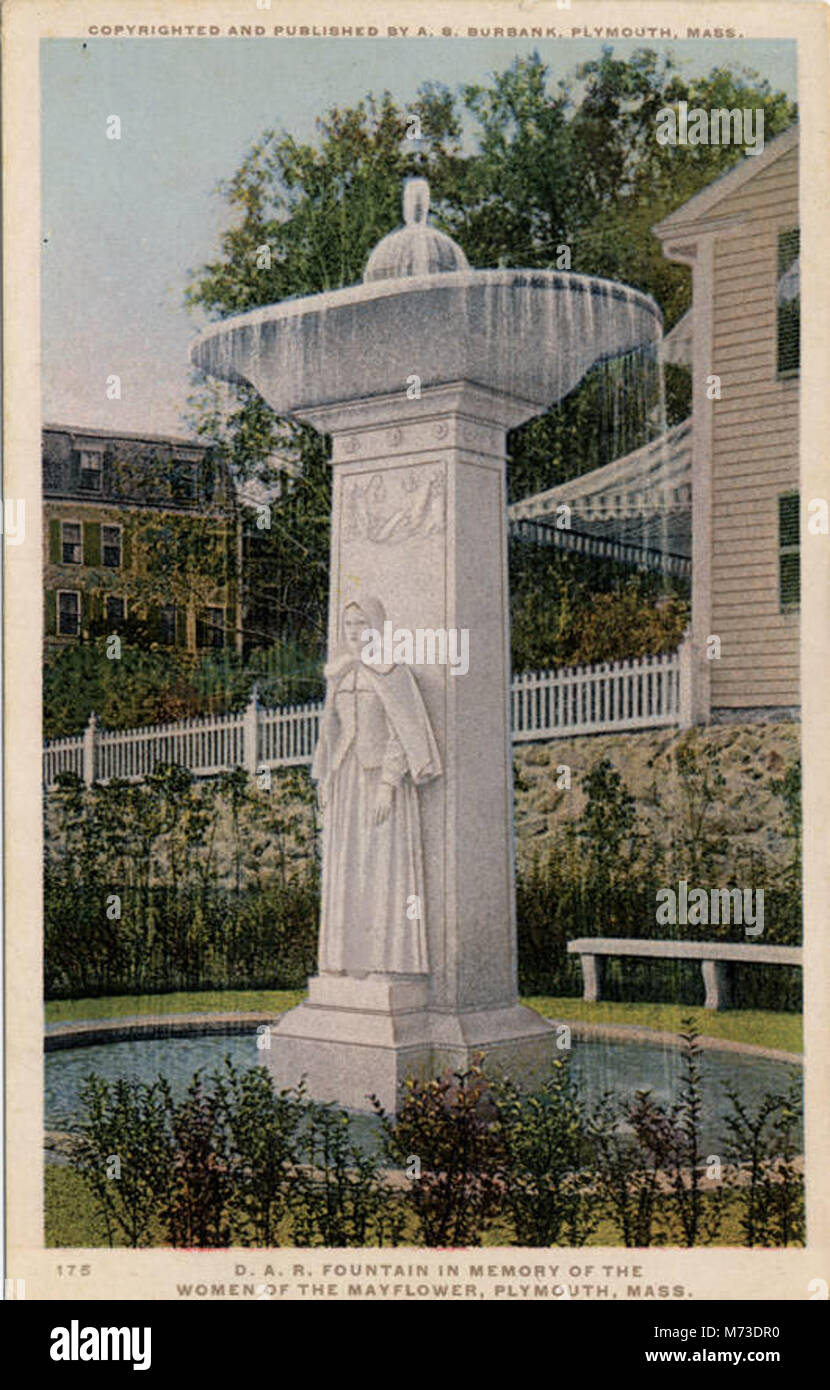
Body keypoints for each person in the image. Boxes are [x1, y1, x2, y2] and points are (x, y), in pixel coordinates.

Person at [311, 595, 442, 976]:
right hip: (347, 778)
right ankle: (346, 962)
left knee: (382, 863)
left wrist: (387, 782)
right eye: (349, 625)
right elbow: (330, 732)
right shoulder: (340, 674)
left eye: (361, 624)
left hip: (381, 782)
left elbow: (402, 732)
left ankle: (388, 961)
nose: (354, 632)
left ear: (377, 628)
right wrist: (325, 778)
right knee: (349, 864)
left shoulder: (393, 672)